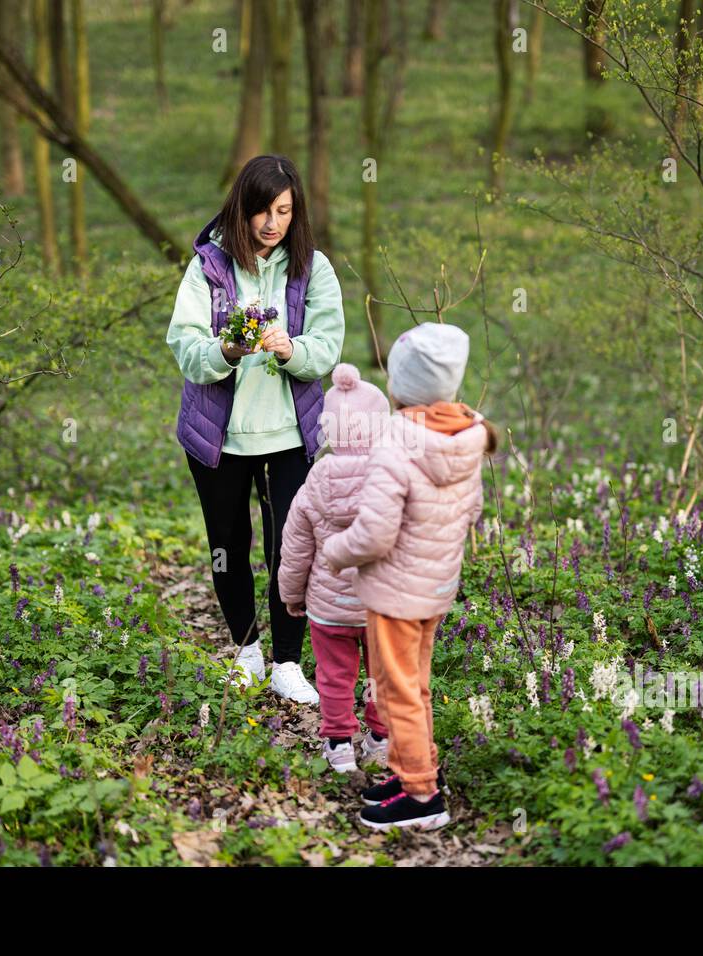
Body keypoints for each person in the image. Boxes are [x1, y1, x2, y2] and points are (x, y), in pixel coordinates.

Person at [166, 155, 344, 703]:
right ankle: (246, 651)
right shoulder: (208, 268)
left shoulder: (313, 269)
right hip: (219, 438)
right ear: (241, 210)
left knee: (290, 550)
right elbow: (186, 346)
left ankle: (288, 662)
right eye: (263, 210)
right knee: (228, 544)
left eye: (285, 211)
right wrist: (227, 349)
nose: (273, 222)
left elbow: (328, 346)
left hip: (290, 437)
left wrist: (292, 349)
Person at [323, 323, 498, 830]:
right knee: (412, 684)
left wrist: (335, 551)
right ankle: (408, 771)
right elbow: (473, 512)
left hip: (396, 594)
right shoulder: (464, 434)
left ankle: (422, 797)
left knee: (396, 688)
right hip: (436, 588)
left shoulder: (396, 441)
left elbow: (374, 535)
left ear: (402, 385)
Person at [278, 363, 392, 772]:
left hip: (329, 609)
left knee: (334, 677)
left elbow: (294, 547)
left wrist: (291, 595)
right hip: (380, 606)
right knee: (382, 677)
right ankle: (380, 739)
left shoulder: (314, 480)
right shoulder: (392, 477)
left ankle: (340, 744)